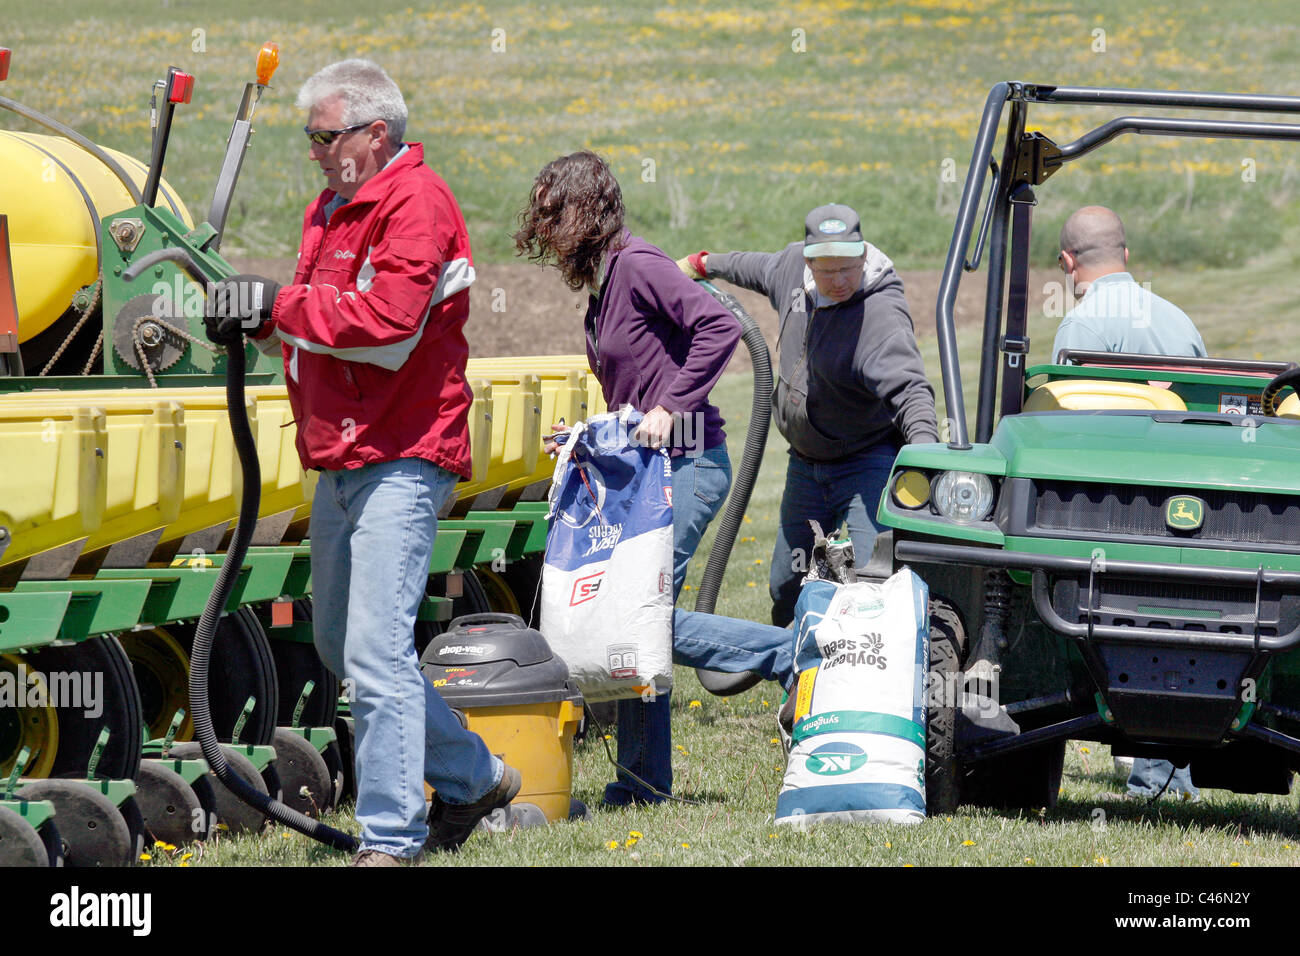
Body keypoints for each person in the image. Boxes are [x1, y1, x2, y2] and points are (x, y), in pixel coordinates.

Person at [204, 59, 520, 866]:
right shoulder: (331, 209)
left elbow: (386, 328)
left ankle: (390, 839)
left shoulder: (417, 203)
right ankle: (475, 777)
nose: (312, 148)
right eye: (308, 135)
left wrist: (278, 305)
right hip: (341, 456)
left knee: (376, 657)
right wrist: (256, 320)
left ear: (376, 133)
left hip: (402, 455)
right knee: (348, 650)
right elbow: (318, 323)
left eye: (324, 134)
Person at [514, 150, 793, 805]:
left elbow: (718, 326)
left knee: (641, 621)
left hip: (689, 467)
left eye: (555, 217)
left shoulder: (640, 266)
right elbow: (634, 389)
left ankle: (792, 652)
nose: (548, 234)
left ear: (586, 212)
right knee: (636, 617)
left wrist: (672, 408)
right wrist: (590, 438)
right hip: (646, 473)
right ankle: (642, 782)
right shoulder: (607, 285)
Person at [679, 203, 940, 628]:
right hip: (806, 465)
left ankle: (872, 677)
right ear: (807, 261)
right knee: (785, 586)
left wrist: (927, 455)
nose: (838, 281)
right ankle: (797, 677)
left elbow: (910, 390)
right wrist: (702, 264)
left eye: (848, 269)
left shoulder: (880, 314)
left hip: (866, 460)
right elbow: (752, 266)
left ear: (863, 256)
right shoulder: (789, 270)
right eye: (826, 270)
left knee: (875, 583)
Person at [1052, 205, 1207, 361]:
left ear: (1068, 262)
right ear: (1125, 256)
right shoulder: (1181, 321)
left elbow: (1067, 384)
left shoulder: (1080, 324)